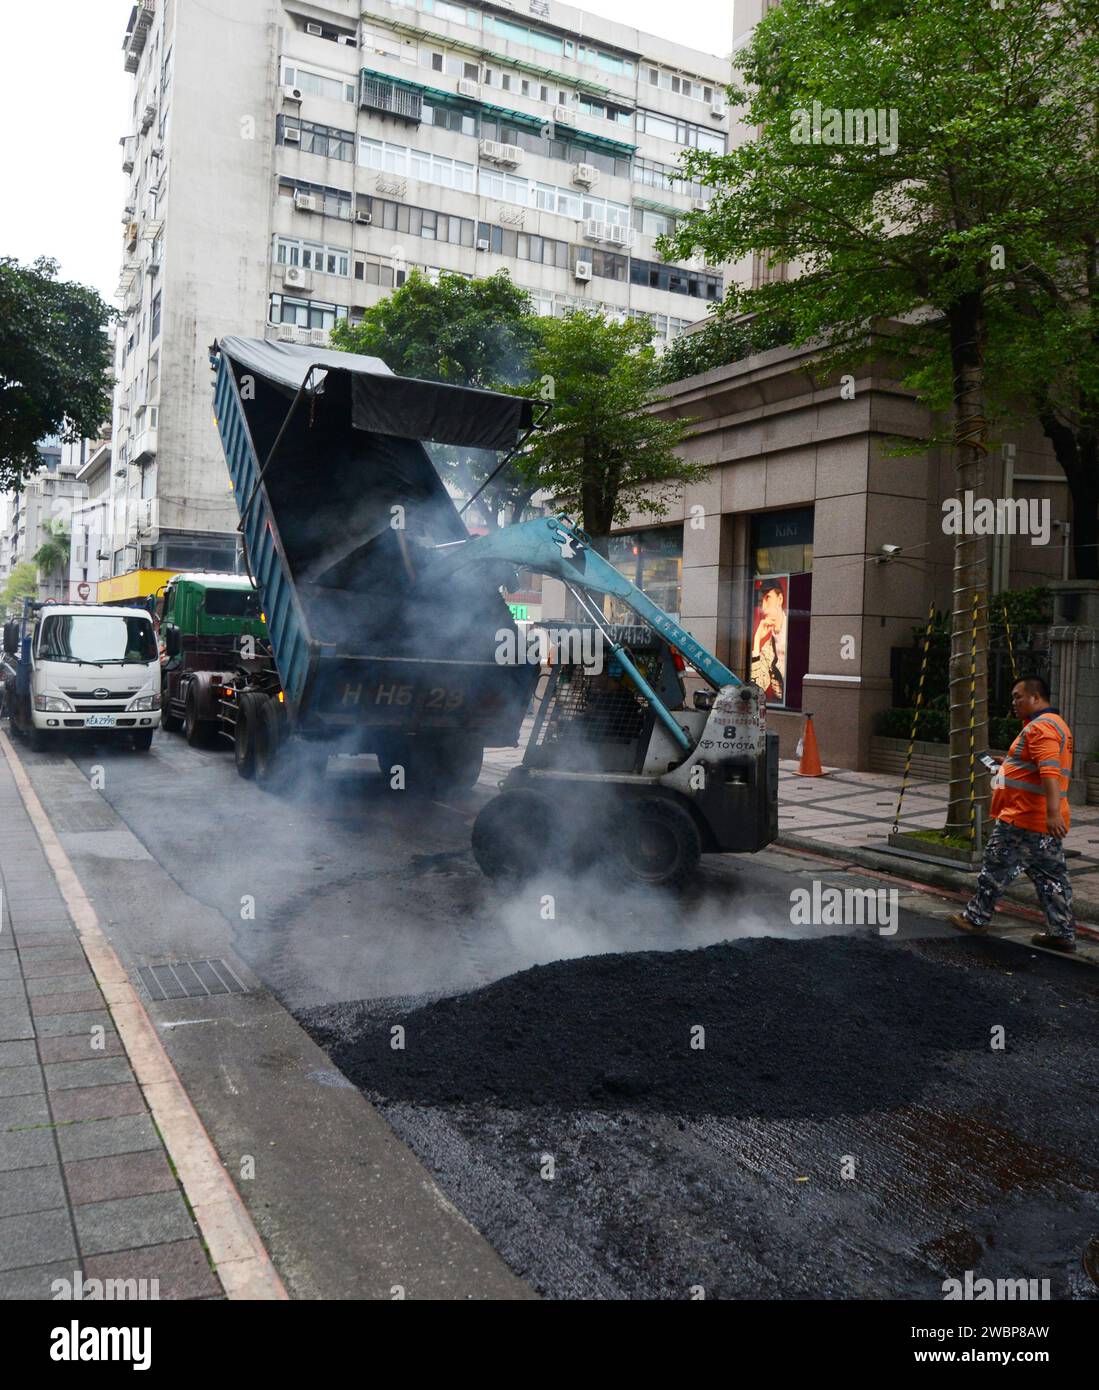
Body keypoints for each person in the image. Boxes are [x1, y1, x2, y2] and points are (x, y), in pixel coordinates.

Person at [950, 676, 1077, 952]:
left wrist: (1053, 813)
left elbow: (1049, 772)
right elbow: (1034, 766)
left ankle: (976, 918)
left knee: (994, 867)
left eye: (1018, 696)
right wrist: (1006, 765)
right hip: (1040, 821)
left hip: (1023, 818)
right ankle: (1062, 932)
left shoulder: (1040, 728)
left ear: (1035, 697)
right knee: (1052, 878)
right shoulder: (1056, 726)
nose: (1014, 702)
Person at [751, 584, 787, 701]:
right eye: (761, 601)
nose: (763, 607)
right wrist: (757, 641)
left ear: (780, 599)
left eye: (768, 598)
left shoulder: (793, 633)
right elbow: (757, 688)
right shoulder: (768, 647)